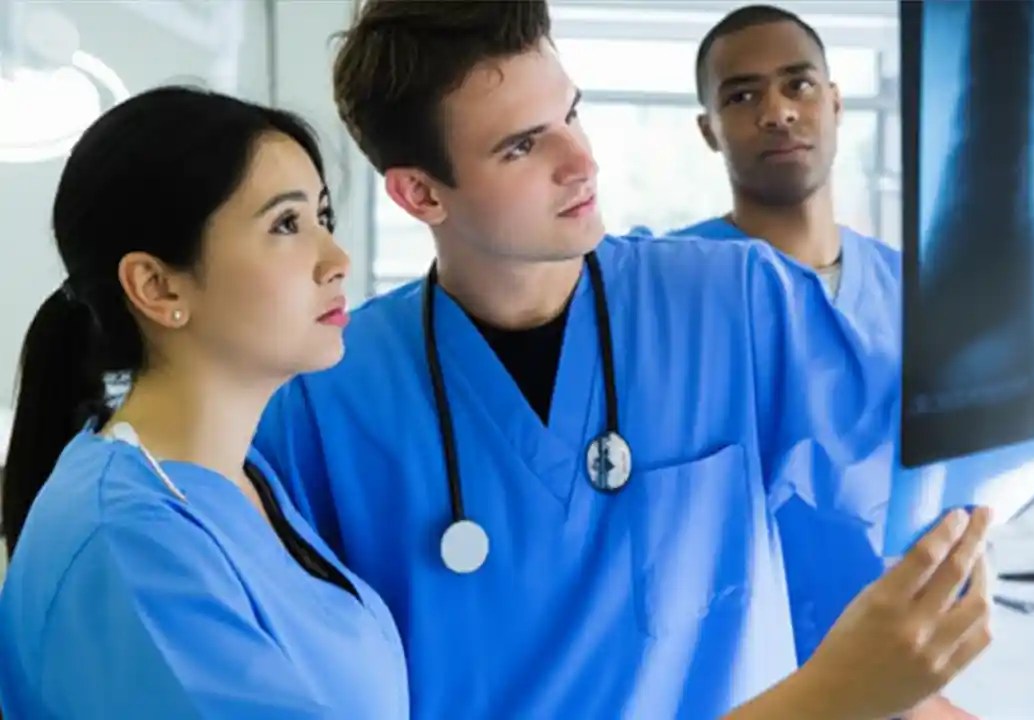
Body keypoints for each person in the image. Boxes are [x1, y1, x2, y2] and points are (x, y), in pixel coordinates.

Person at [254, 1, 991, 719]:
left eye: (571, 115)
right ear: (420, 194)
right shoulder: (324, 399)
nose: (581, 161)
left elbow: (943, 437)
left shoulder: (734, 300)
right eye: (522, 145)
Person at [677, 5, 1034, 718]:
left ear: (836, 103)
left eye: (799, 85)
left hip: (905, 684)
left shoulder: (923, 297)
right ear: (708, 130)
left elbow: (1017, 437)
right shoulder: (666, 290)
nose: (778, 111)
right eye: (741, 95)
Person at [0, 86, 410, 719]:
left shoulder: (236, 481)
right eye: (285, 224)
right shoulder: (129, 540)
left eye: (321, 218)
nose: (335, 259)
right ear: (157, 286)